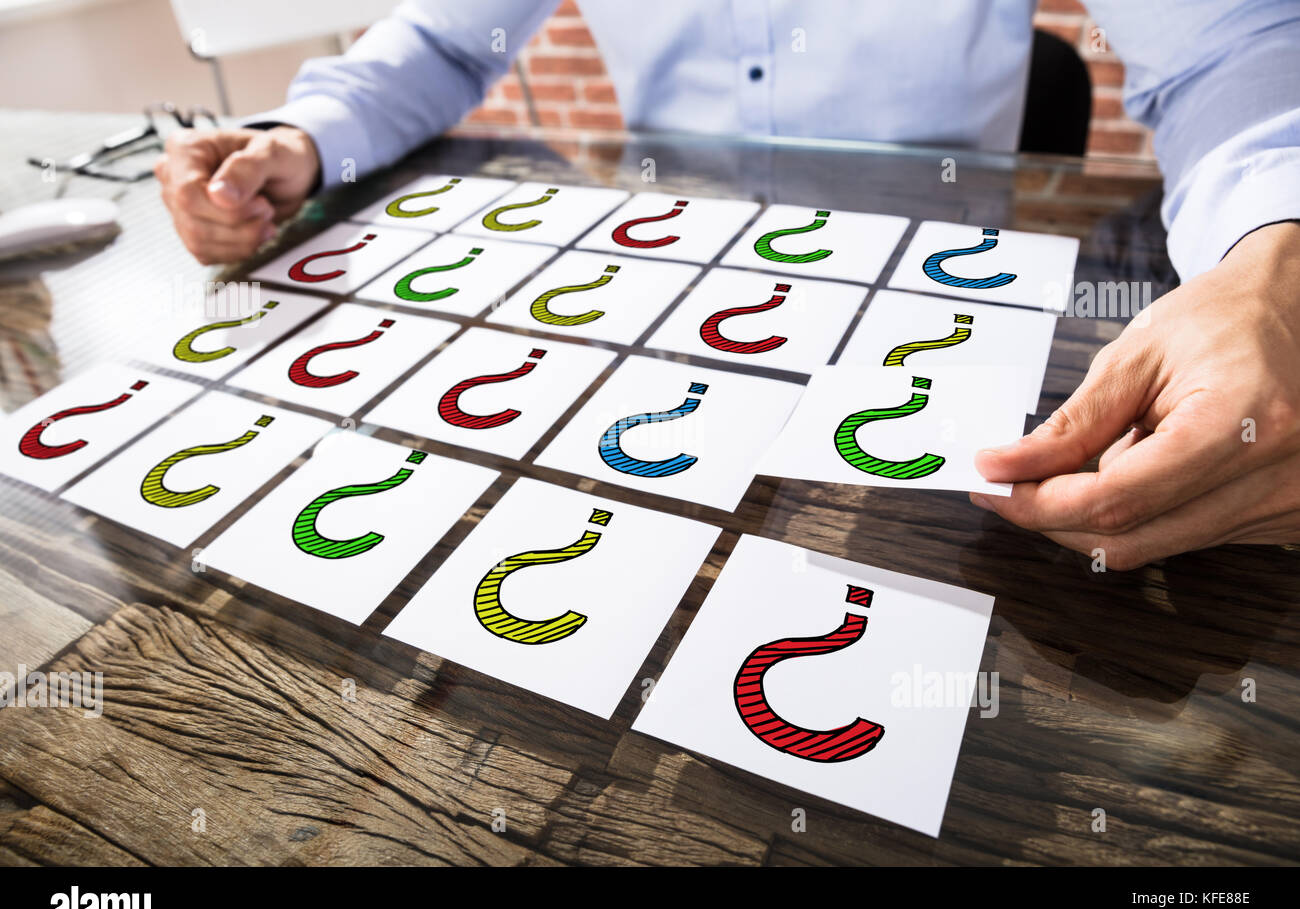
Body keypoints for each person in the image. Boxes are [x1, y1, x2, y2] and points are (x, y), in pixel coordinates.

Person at [154, 1, 1300, 570]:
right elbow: (449, 42)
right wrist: (302, 135)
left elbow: (1226, 43)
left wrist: (1269, 255)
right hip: (653, 302)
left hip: (949, 315)